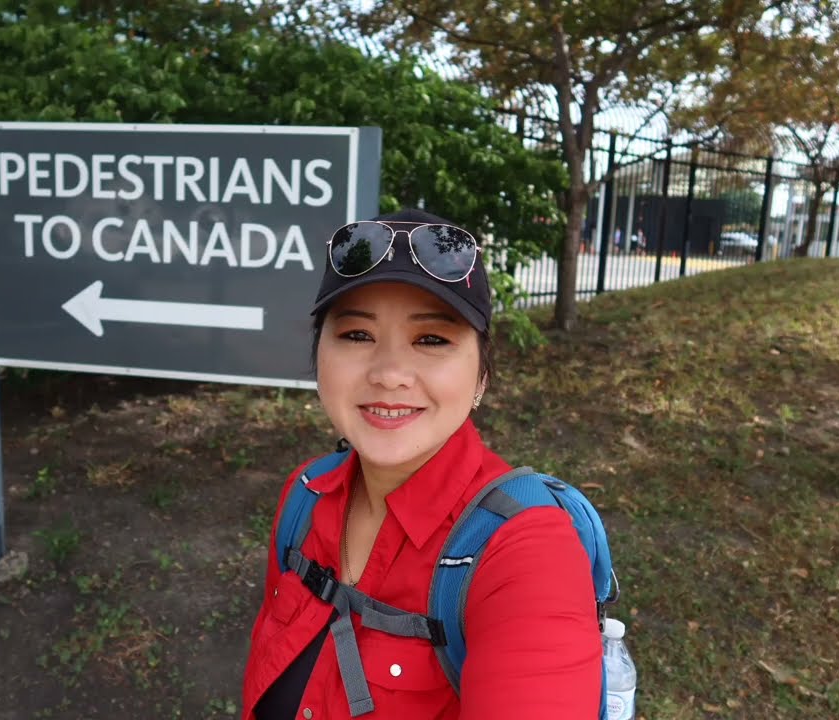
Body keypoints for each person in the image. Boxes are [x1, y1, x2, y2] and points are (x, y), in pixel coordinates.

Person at [241, 208, 603, 720]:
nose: (390, 373)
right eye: (357, 335)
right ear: (317, 355)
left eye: (431, 339)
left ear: (481, 377)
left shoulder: (527, 553)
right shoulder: (305, 494)